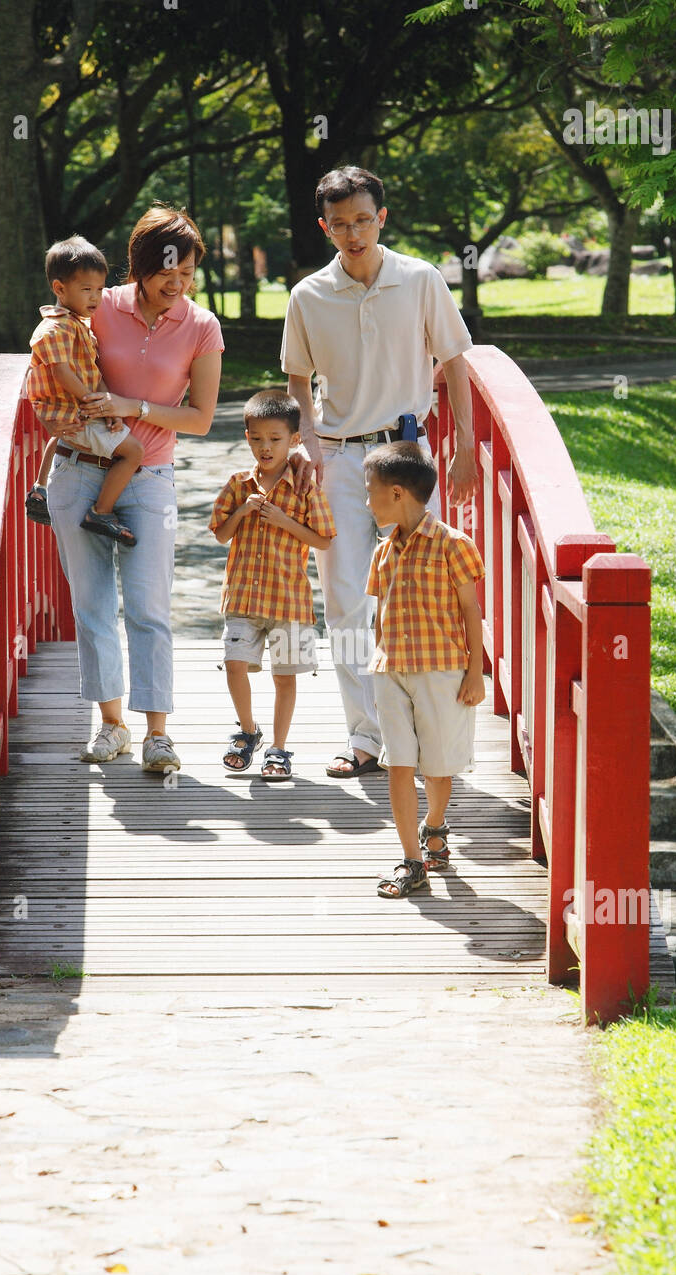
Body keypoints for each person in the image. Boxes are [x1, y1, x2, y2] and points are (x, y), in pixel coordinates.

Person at [281, 165, 479, 778]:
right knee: (344, 601)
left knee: (424, 593)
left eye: (363, 220)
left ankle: (424, 734)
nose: (353, 233)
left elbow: (454, 364)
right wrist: (308, 446)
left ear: (381, 218)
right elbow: (296, 380)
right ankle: (365, 736)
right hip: (339, 458)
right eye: (339, 224)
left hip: (408, 455)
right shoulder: (308, 295)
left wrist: (466, 446)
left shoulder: (420, 280)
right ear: (325, 227)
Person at [45, 203, 223, 772]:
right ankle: (112, 726)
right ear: (138, 267)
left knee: (149, 606)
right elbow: (48, 358)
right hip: (77, 473)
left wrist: (135, 406)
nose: (177, 284)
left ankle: (157, 734)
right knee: (93, 606)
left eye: (188, 274)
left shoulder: (201, 326)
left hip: (150, 479)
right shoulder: (98, 306)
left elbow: (199, 419)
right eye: (166, 273)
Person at [363, 443, 485, 899]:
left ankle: (435, 824)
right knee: (398, 763)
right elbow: (380, 614)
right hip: (391, 670)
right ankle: (413, 861)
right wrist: (380, 658)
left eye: (369, 491)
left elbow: (471, 612)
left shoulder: (454, 545)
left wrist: (475, 672)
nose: (365, 500)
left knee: (437, 768)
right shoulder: (382, 552)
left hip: (442, 670)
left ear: (397, 493)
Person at [209, 390, 336, 780]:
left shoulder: (304, 488)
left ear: (295, 440)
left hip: (289, 601)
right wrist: (244, 511)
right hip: (243, 596)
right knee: (234, 665)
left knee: (285, 677)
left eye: (276, 439)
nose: (266, 447)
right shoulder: (237, 484)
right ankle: (249, 732)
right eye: (258, 438)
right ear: (247, 437)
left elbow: (324, 538)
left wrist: (284, 521)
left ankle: (279, 750)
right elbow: (220, 534)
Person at [25, 236, 145, 547]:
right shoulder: (53, 330)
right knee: (133, 452)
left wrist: (111, 410)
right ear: (59, 289)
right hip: (76, 413)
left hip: (86, 410)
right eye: (86, 289)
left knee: (110, 440)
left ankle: (41, 488)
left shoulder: (79, 326)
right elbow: (61, 372)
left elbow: (94, 374)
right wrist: (93, 403)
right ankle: (100, 512)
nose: (95, 297)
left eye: (100, 289)